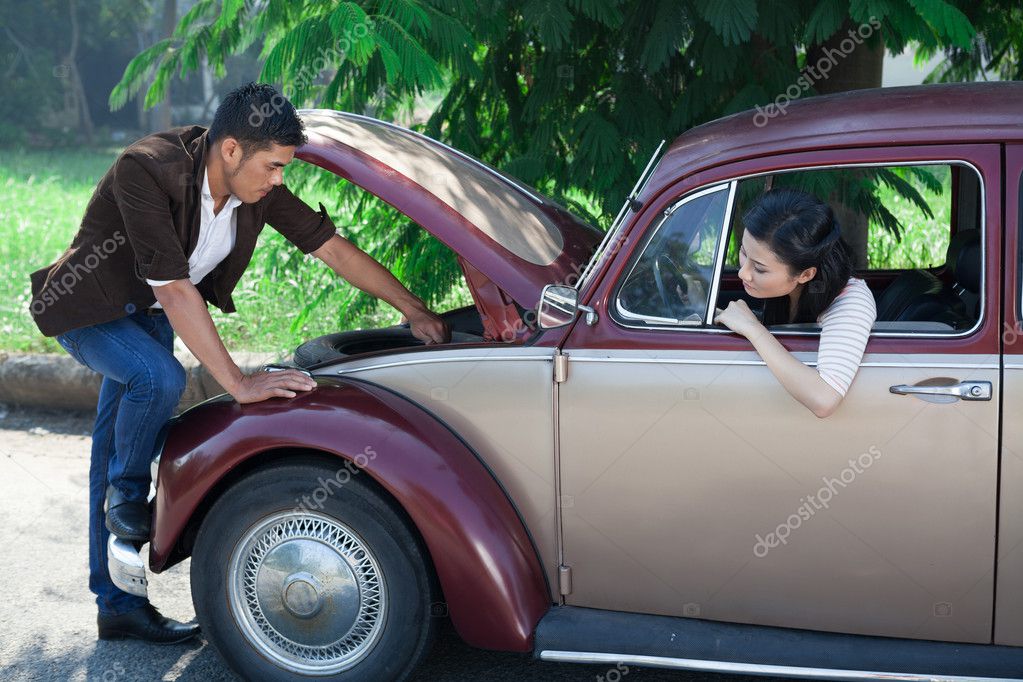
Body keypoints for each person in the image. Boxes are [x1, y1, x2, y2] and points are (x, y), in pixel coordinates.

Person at [27, 82, 449, 644]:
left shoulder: (255, 189)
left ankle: (116, 606)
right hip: (89, 309)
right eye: (274, 166)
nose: (280, 179)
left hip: (148, 314)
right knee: (157, 379)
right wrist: (239, 383)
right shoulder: (146, 169)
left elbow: (331, 248)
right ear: (231, 150)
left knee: (119, 436)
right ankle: (128, 500)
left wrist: (415, 311)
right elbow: (176, 287)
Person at [713, 188, 876, 418]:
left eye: (759, 268)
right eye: (743, 252)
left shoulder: (851, 300)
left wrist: (753, 328)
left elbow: (824, 399)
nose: (743, 273)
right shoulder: (787, 287)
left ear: (806, 275)